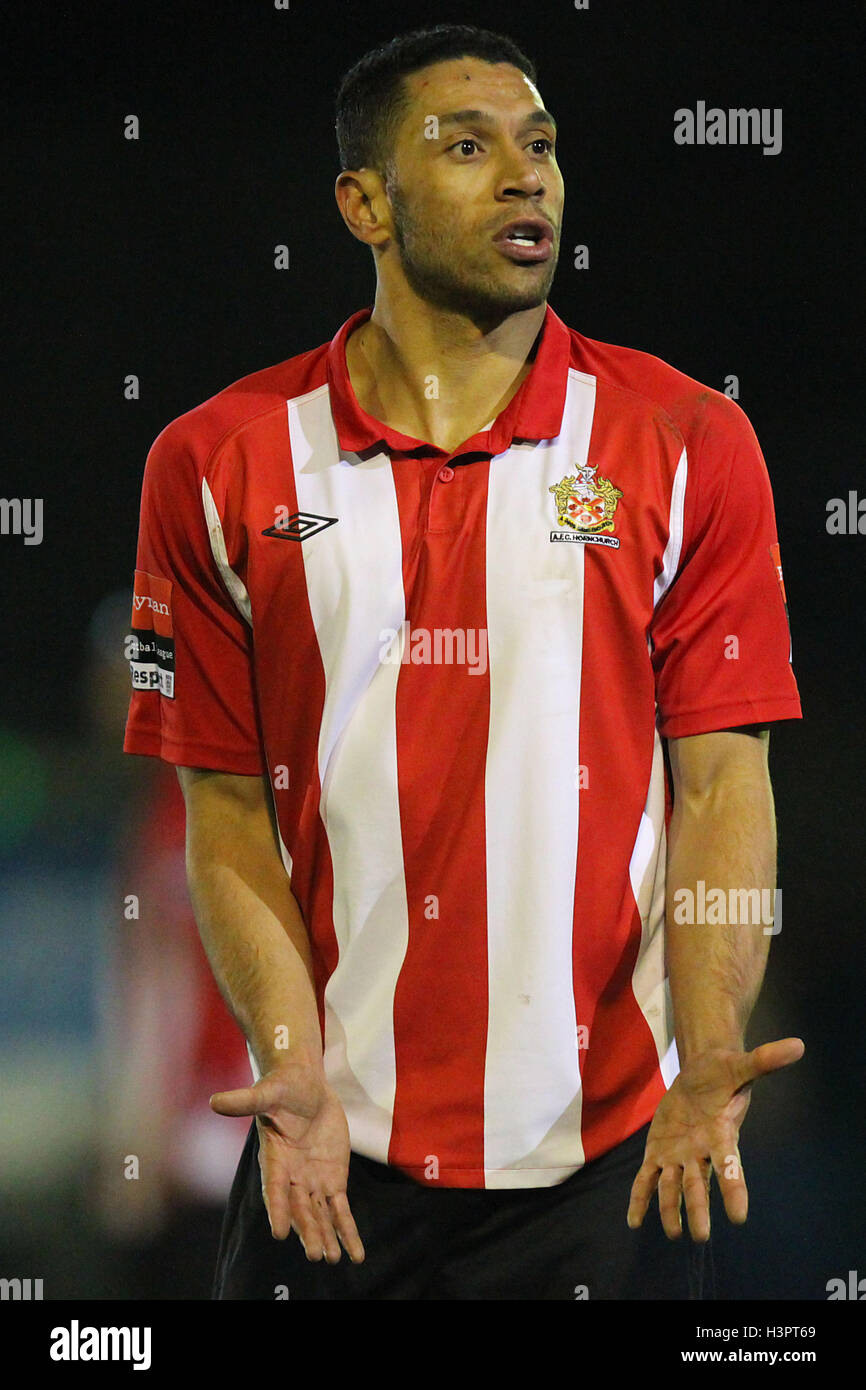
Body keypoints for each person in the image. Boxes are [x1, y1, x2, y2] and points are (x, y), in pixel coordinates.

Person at [123, 23, 804, 1300]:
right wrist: (291, 1064)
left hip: (618, 1164)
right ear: (362, 202)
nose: (523, 175)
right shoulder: (217, 462)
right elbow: (222, 810)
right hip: (329, 1165)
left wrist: (711, 1045)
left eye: (539, 145)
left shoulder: (685, 440)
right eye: (466, 145)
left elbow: (721, 782)